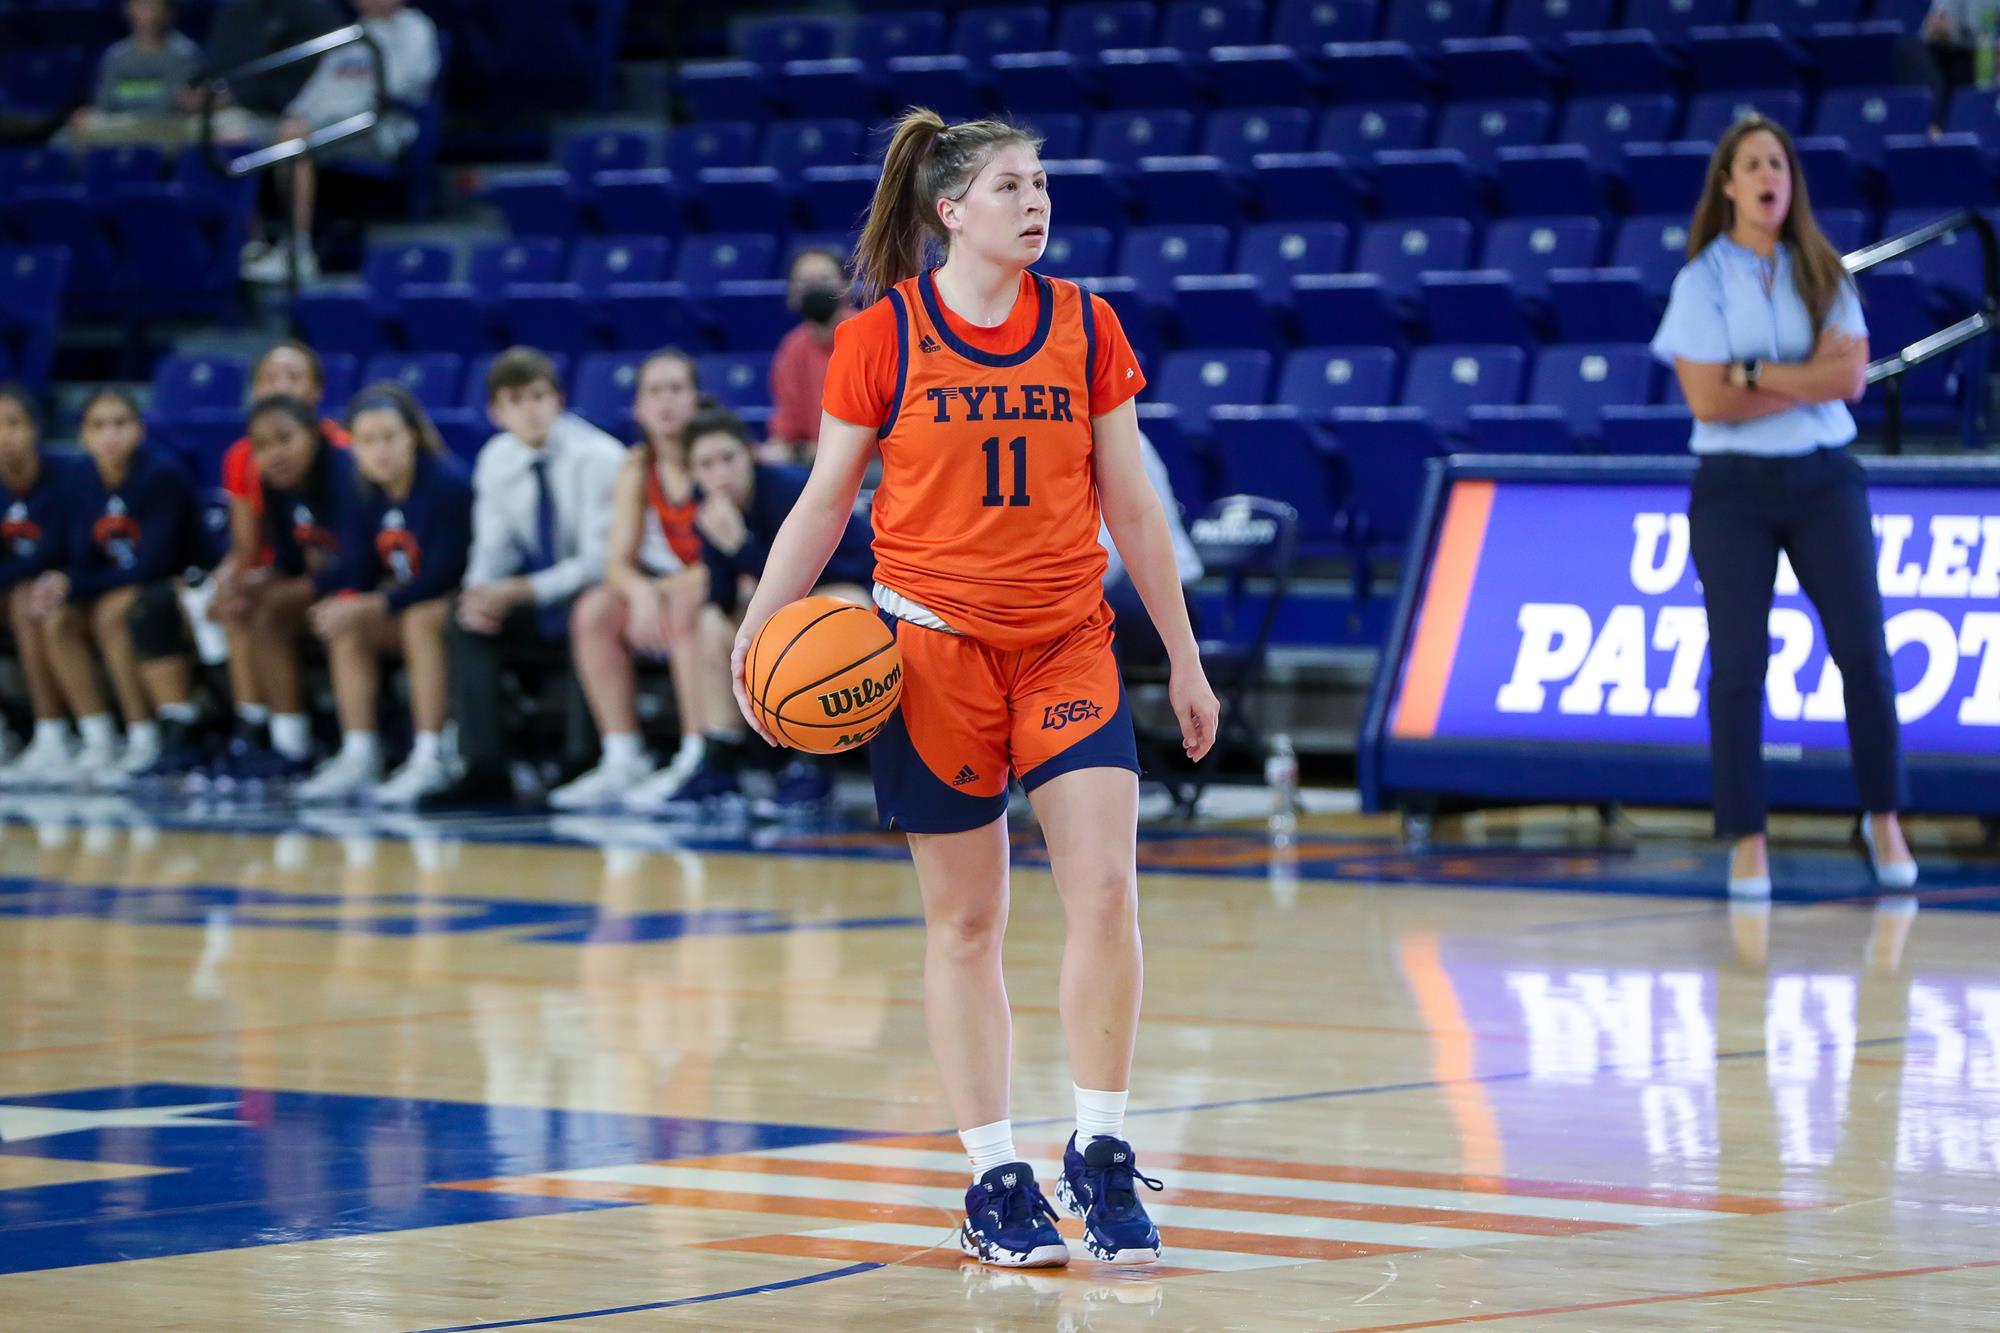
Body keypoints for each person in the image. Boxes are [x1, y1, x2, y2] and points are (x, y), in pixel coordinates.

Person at [723, 109, 1218, 1267]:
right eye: (1009, 186)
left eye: (1041, 182)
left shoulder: (1086, 326)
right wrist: (755, 635)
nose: (1034, 201)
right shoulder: (880, 337)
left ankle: (1099, 1154)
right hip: (932, 652)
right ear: (951, 211)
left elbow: (1134, 508)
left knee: (1103, 894)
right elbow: (822, 502)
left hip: (1065, 643)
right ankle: (994, 1175)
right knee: (968, 921)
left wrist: (1183, 656)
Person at [1649, 114, 1917, 898]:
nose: (1770, 175)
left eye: (1779, 163)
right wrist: (1791, 375)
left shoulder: (1824, 269)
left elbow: (1850, 382)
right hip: (1731, 489)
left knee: (1863, 655)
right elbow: (1705, 397)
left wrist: (1750, 372)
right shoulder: (1700, 280)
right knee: (1737, 666)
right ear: (1728, 185)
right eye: (1753, 163)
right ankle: (1747, 836)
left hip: (1824, 480)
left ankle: (1884, 816)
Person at [627, 408, 874, 818]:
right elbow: (722, 596)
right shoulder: (710, 514)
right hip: (790, 606)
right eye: (706, 465)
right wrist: (723, 548)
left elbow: (829, 570)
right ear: (693, 474)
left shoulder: (789, 490)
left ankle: (811, 763)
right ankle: (720, 760)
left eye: (728, 458)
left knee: (810, 616)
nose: (720, 473)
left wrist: (740, 546)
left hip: (854, 595)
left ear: (750, 456)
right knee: (709, 621)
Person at [425, 346, 625, 808]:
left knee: (589, 607)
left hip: (593, 591)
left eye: (539, 396)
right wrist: (481, 595)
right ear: (497, 412)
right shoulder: (496, 459)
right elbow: (490, 549)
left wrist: (522, 590)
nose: (531, 411)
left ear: (559, 398)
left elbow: (599, 561)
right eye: (516, 401)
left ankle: (581, 760)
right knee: (463, 619)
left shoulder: (600, 457)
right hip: (540, 596)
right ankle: (484, 767)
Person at [296, 383, 470, 805]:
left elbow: (444, 574)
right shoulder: (363, 490)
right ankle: (360, 753)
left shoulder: (447, 484)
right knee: (347, 623)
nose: (380, 451)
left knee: (419, 617)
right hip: (409, 599)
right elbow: (359, 566)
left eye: (389, 437)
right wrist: (338, 600)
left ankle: (432, 755)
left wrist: (374, 603)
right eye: (368, 441)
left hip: (462, 602)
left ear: (411, 435)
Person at [551, 349, 710, 810]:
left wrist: (655, 592)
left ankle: (696, 753)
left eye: (677, 389)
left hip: (722, 589)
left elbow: (725, 563)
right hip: (667, 589)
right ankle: (623, 756)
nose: (666, 402)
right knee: (595, 610)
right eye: (654, 392)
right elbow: (617, 561)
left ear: (696, 400)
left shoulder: (717, 454)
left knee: (687, 602)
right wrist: (640, 593)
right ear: (639, 407)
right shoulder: (638, 466)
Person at [27, 391, 206, 785]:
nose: (110, 435)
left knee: (112, 613)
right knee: (56, 618)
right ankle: (98, 738)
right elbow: (75, 552)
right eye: (99, 426)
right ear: (83, 436)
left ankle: (142, 734)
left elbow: (153, 564)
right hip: (108, 583)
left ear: (139, 430)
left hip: (175, 582)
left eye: (120, 424)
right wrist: (60, 582)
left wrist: (77, 582)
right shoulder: (77, 479)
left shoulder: (162, 474)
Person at [212, 341, 351, 773]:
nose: (274, 452)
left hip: (353, 579)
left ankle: (298, 741)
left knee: (272, 607)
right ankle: (259, 732)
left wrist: (298, 582)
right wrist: (239, 579)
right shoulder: (262, 467)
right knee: (239, 602)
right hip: (302, 576)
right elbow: (261, 551)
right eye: (270, 377)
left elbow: (356, 557)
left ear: (317, 393)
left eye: (294, 377)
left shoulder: (343, 459)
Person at [240, 0, 441, 284]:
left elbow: (399, 87)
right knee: (235, 136)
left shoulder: (416, 29)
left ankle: (298, 251)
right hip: (326, 129)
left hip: (376, 131)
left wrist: (315, 123)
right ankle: (254, 245)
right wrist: (297, 116)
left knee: (295, 141)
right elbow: (315, 93)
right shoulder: (351, 34)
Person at [0, 386, 86, 786]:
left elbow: (65, 549)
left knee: (25, 600)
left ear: (35, 429)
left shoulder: (66, 479)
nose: (4, 436)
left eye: (13, 424)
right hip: (17, 585)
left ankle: (53, 733)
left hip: (71, 585)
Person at [1098, 429, 1201, 669]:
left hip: (1165, 598)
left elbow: (1108, 560)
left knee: (1086, 618)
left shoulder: (1123, 440)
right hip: (1113, 590)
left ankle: (1104, 705)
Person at [63, 0, 206, 149]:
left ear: (169, 13)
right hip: (119, 125)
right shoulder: (115, 55)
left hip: (165, 126)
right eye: (142, 6)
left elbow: (175, 102)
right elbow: (105, 101)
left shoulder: (184, 54)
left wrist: (128, 96)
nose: (149, 15)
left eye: (155, 7)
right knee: (70, 132)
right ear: (128, 10)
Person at [761, 247, 855, 466]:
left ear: (845, 287)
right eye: (805, 282)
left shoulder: (869, 334)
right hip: (811, 461)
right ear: (792, 295)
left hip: (869, 462)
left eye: (824, 279)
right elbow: (787, 426)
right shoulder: (792, 347)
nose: (814, 289)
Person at [1904, 0, 2000, 127]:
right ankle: (1933, 126)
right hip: (1952, 52)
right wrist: (1936, 28)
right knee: (1910, 49)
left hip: (1986, 54)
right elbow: (1929, 29)